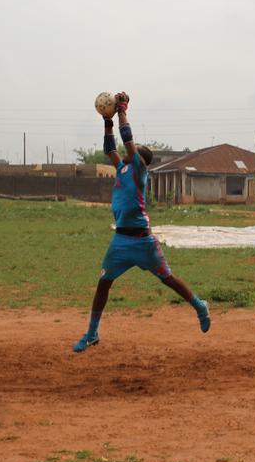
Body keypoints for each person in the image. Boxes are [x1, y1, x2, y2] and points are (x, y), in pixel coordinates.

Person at [72, 92, 211, 353]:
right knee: (104, 283)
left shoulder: (138, 170)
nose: (127, 151)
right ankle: (92, 333)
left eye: (133, 151)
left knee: (168, 278)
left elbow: (127, 140)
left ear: (140, 161)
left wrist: (123, 110)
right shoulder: (122, 167)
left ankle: (199, 305)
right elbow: (110, 149)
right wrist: (107, 121)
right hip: (120, 240)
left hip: (142, 241)